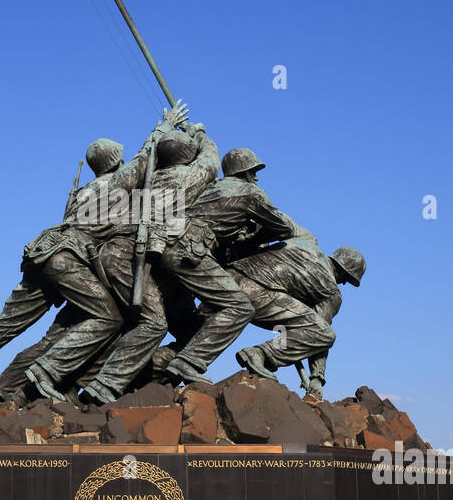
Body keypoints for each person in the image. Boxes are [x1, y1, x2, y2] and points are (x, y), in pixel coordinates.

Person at [0, 107, 186, 414]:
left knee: (4, 327)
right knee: (110, 318)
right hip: (66, 260)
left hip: (43, 253)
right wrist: (163, 128)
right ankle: (47, 372)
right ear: (116, 162)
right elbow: (143, 162)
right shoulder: (111, 185)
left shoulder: (84, 191)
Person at [153, 146, 295, 384]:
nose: (256, 178)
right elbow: (285, 228)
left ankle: (152, 371)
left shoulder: (211, 188)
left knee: (188, 323)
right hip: (190, 250)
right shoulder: (250, 193)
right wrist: (251, 237)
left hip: (165, 246)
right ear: (245, 172)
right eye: (253, 172)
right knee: (240, 308)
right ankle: (187, 363)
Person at [226, 220, 365, 399]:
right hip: (257, 294)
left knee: (289, 325)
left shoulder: (304, 241)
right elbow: (318, 333)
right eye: (347, 279)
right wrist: (317, 377)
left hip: (227, 278)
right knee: (324, 333)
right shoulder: (331, 290)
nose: (344, 283)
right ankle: (260, 354)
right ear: (343, 273)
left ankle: (181, 352)